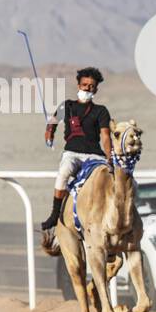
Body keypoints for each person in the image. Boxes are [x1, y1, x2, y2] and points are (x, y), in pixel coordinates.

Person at [40, 67, 113, 250]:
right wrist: (49, 134)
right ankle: (55, 215)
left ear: (96, 89)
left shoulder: (101, 111)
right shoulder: (68, 106)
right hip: (72, 153)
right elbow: (53, 123)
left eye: (91, 86)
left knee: (109, 180)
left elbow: (105, 136)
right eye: (84, 85)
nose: (87, 88)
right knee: (63, 172)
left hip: (94, 156)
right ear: (78, 85)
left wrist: (109, 156)